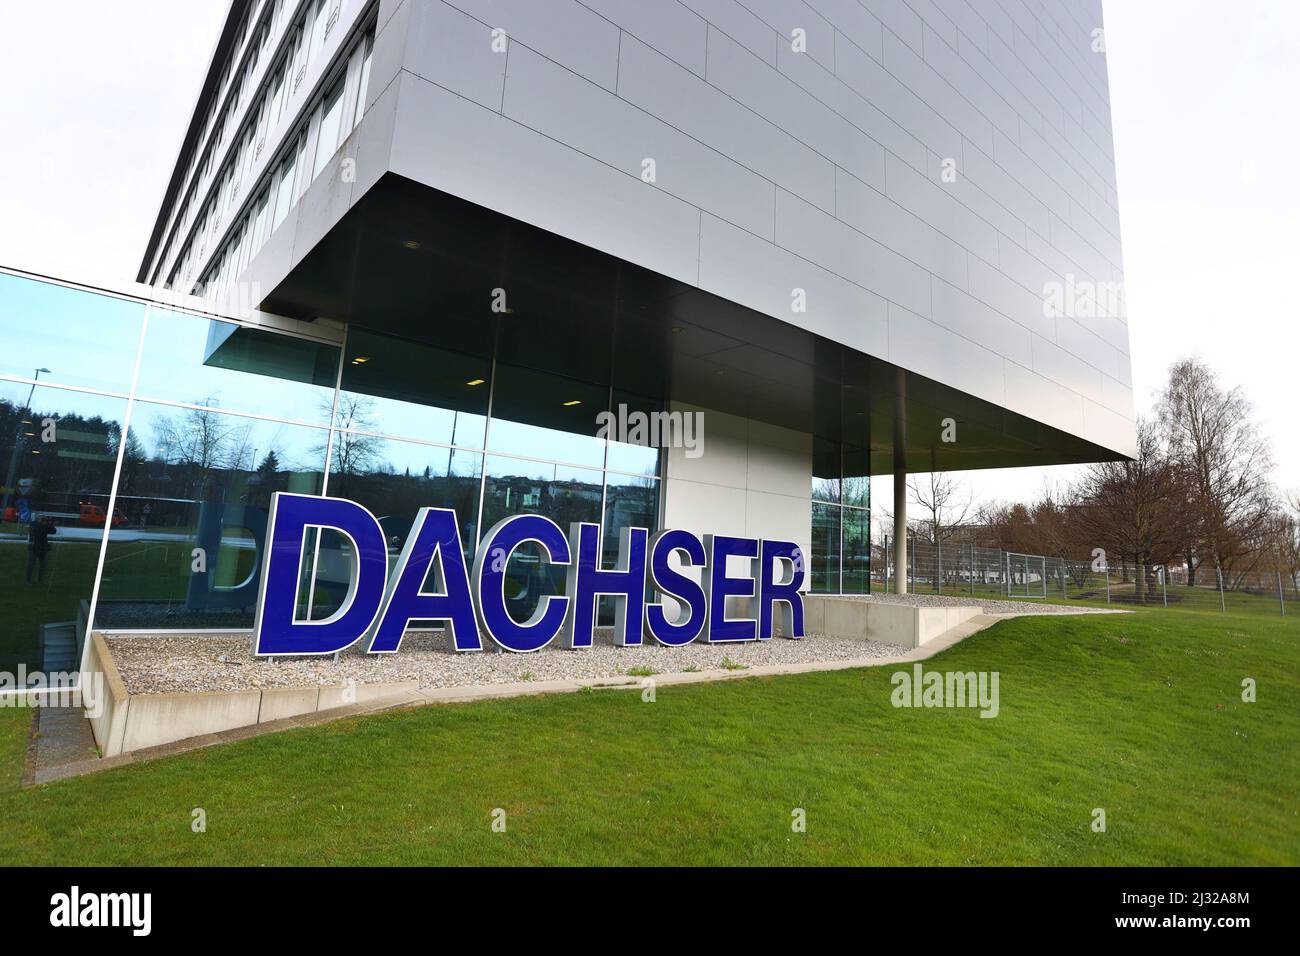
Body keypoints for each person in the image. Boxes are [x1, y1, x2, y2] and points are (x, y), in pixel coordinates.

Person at [26, 515, 57, 584]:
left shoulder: (42, 526)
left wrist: (50, 524)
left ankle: (39, 580)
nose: (45, 521)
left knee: (42, 565)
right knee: (32, 564)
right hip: (34, 546)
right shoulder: (35, 525)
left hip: (41, 547)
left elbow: (53, 531)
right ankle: (30, 579)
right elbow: (36, 530)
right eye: (44, 520)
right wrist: (50, 524)